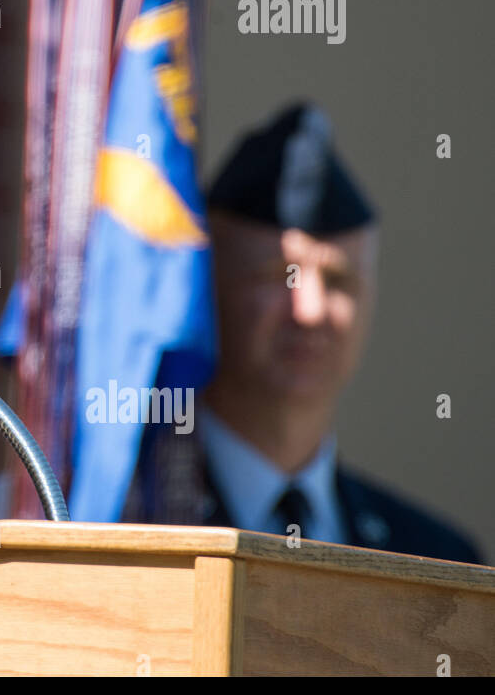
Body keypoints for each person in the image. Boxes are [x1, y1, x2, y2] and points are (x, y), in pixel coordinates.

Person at [123, 103, 484, 565]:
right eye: (280, 276)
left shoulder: (433, 559)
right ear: (208, 290)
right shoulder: (116, 529)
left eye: (338, 281)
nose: (310, 311)